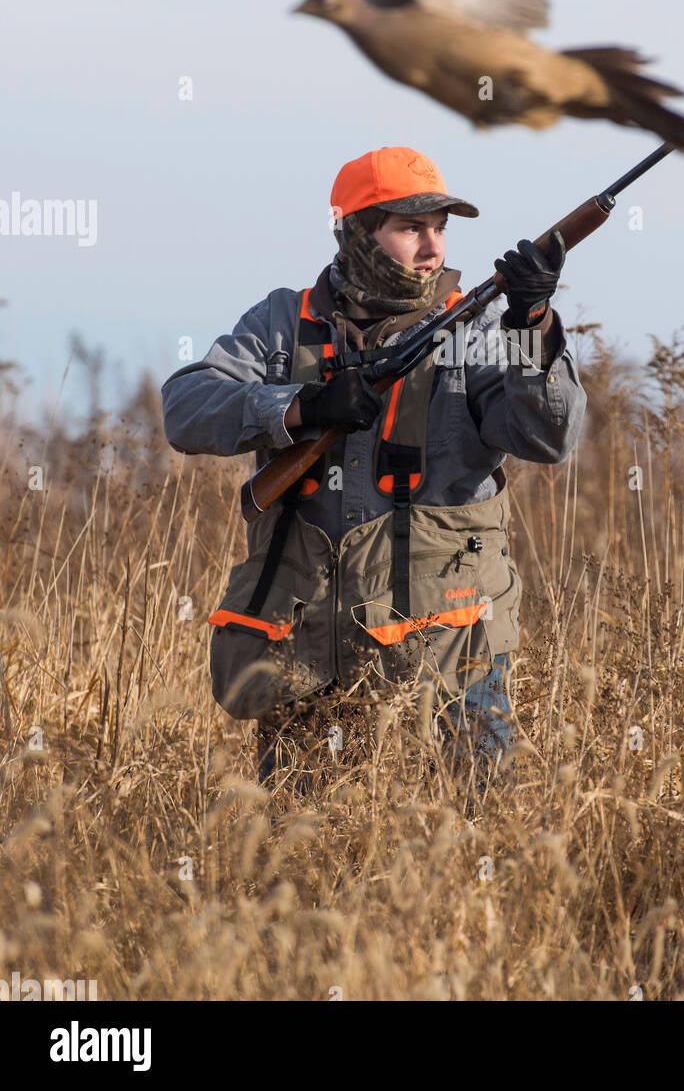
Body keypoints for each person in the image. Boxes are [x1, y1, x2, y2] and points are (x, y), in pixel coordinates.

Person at [161, 146, 586, 794]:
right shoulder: (284, 323)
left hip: (452, 654)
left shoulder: (472, 333)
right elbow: (185, 408)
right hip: (308, 647)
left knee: (476, 834)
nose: (431, 247)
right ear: (357, 233)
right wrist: (299, 407)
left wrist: (532, 323)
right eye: (410, 227)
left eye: (440, 228)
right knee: (303, 854)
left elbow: (548, 436)